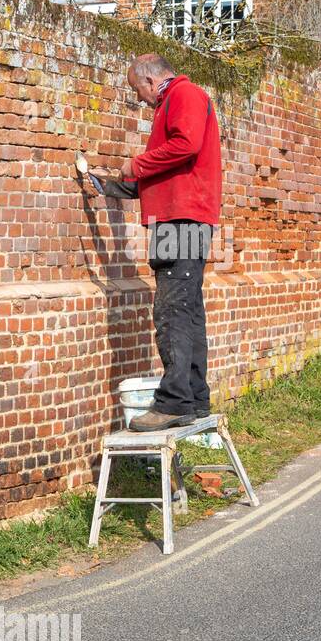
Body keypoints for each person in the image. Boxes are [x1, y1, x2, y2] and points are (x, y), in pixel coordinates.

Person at [91, 53, 222, 433]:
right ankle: (195, 400)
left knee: (171, 312)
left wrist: (138, 163)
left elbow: (185, 145)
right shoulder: (177, 99)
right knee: (188, 311)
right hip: (183, 216)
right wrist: (116, 185)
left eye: (138, 90)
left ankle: (175, 402)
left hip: (181, 220)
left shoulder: (184, 95)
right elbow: (171, 172)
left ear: (151, 81)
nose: (141, 99)